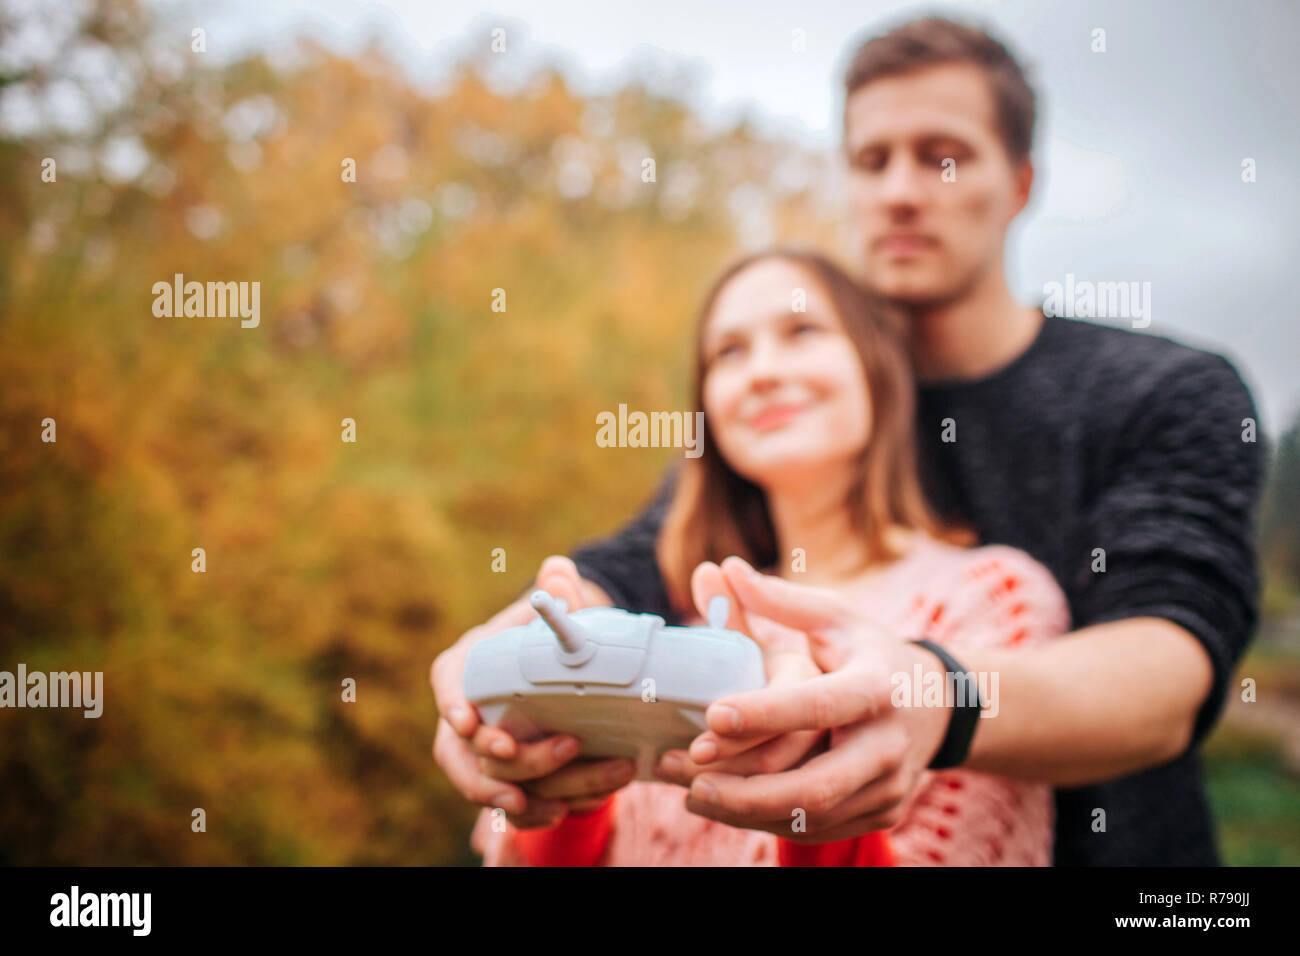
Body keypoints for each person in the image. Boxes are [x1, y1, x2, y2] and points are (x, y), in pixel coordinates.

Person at [432, 16, 1263, 866]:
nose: (901, 191)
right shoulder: (799, 411)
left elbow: (1167, 668)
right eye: (872, 161)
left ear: (1018, 184)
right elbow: (634, 566)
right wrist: (483, 687)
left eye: (942, 156)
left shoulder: (1162, 392)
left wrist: (933, 698)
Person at [469, 248, 1068, 865]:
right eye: (728, 352)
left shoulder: (993, 601)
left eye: (802, 331)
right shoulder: (673, 625)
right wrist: (564, 776)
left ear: (876, 366)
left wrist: (821, 806)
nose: (761, 372)